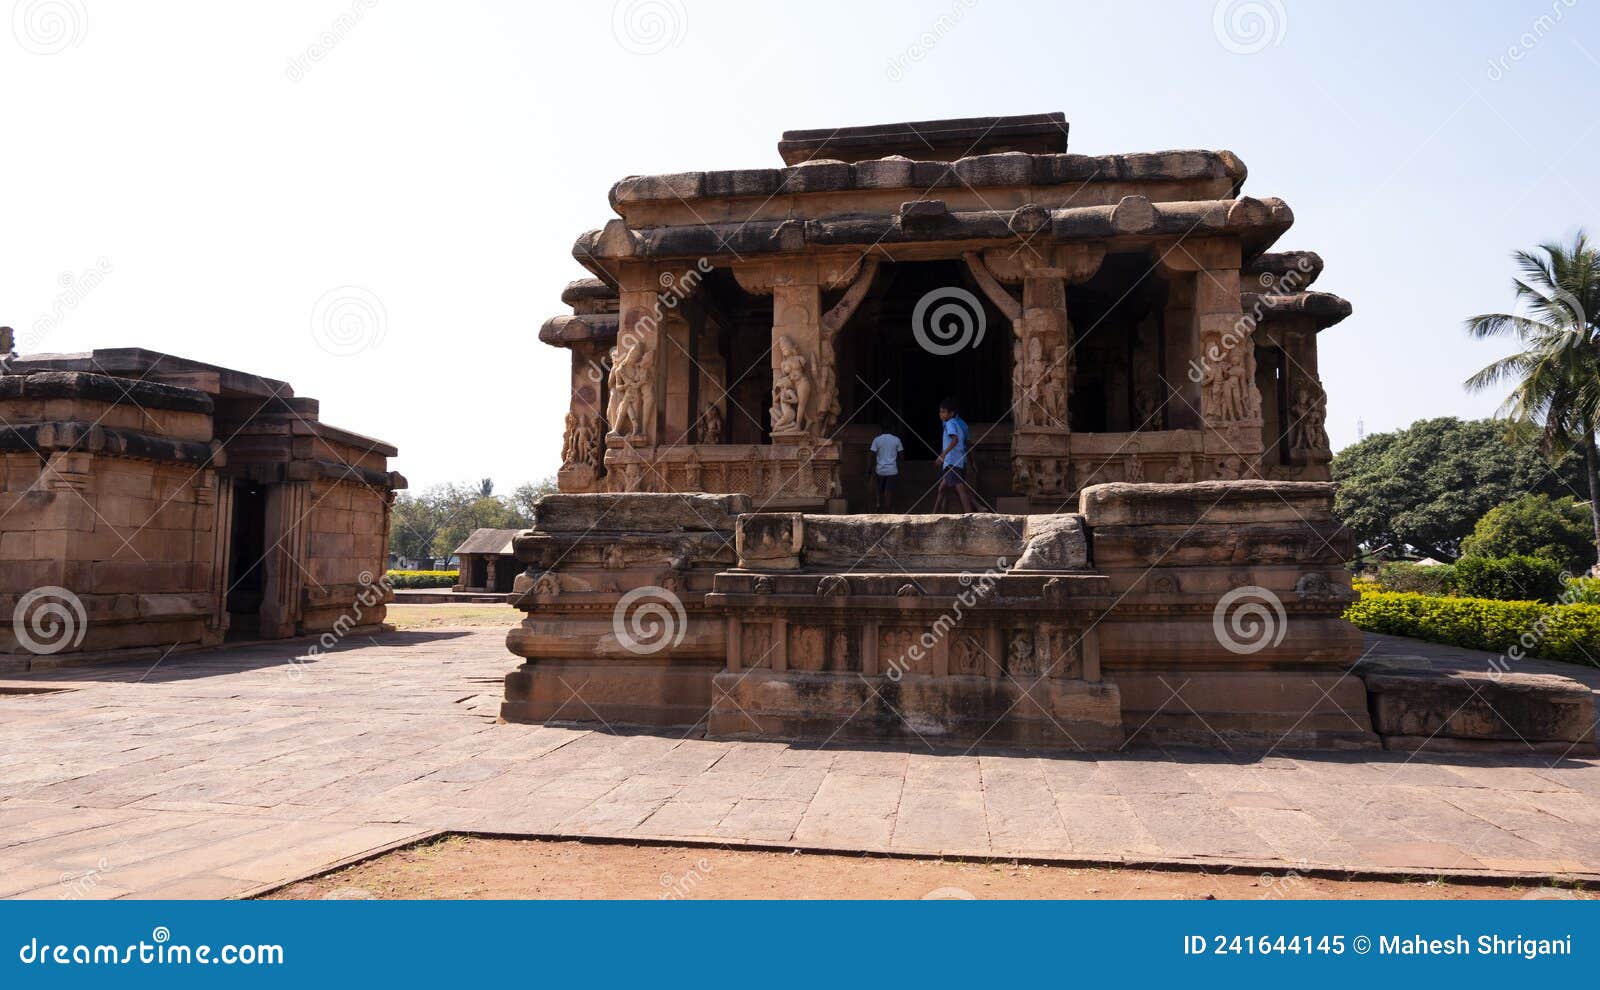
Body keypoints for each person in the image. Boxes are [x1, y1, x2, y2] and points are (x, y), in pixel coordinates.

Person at [932, 397, 975, 513]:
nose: (941, 414)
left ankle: (969, 513)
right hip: (957, 460)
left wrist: (942, 455)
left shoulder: (949, 423)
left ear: (951, 413)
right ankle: (934, 513)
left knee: (960, 489)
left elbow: (955, 440)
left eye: (944, 412)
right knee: (942, 487)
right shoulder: (957, 424)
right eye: (940, 411)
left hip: (952, 461)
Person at [867, 425, 903, 511]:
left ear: (881, 430)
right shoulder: (896, 440)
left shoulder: (877, 440)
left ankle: (878, 504)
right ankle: (888, 508)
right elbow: (901, 456)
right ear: (892, 430)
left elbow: (871, 455)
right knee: (888, 490)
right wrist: (899, 466)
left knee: (878, 489)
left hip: (880, 470)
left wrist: (869, 468)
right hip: (892, 470)